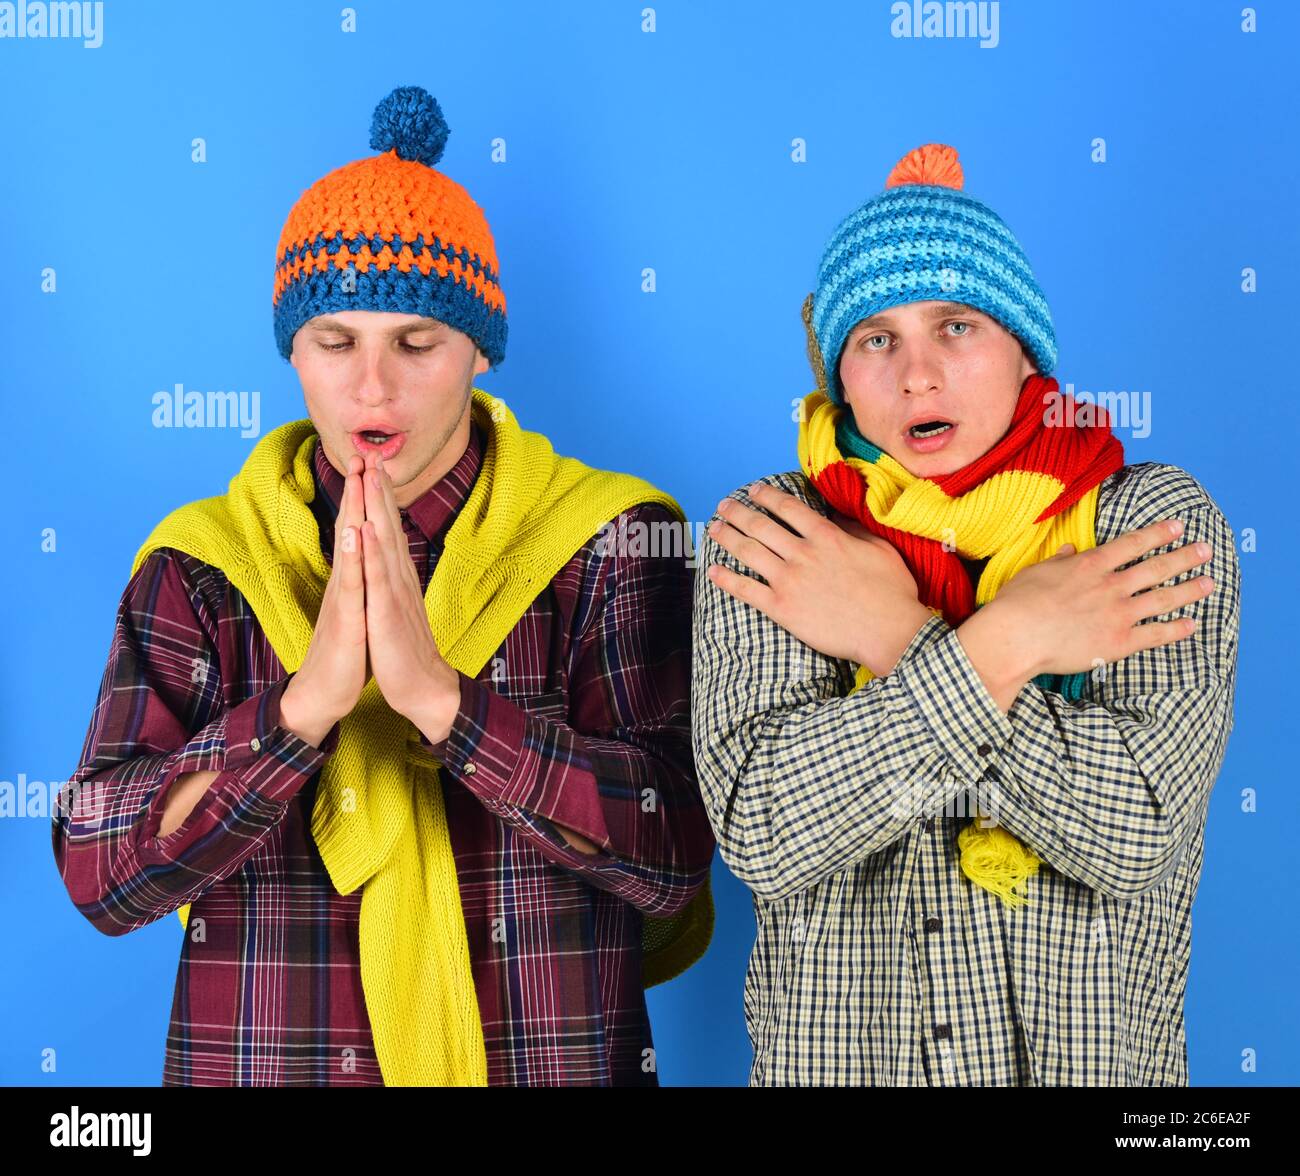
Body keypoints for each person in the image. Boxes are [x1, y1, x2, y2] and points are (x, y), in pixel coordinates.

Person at [53, 85, 714, 1087]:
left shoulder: (610, 543)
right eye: (335, 342)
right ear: (293, 351)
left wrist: (447, 708)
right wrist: (301, 709)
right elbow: (100, 876)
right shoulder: (202, 565)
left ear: (479, 350)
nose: (373, 387)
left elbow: (673, 860)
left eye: (416, 343)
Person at [690, 142, 1239, 1086]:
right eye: (876, 338)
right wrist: (1013, 640)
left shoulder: (1150, 524)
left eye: (956, 326)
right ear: (839, 376)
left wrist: (893, 633)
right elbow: (765, 832)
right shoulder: (774, 534)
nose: (916, 375)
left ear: (1024, 347)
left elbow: (1136, 830)